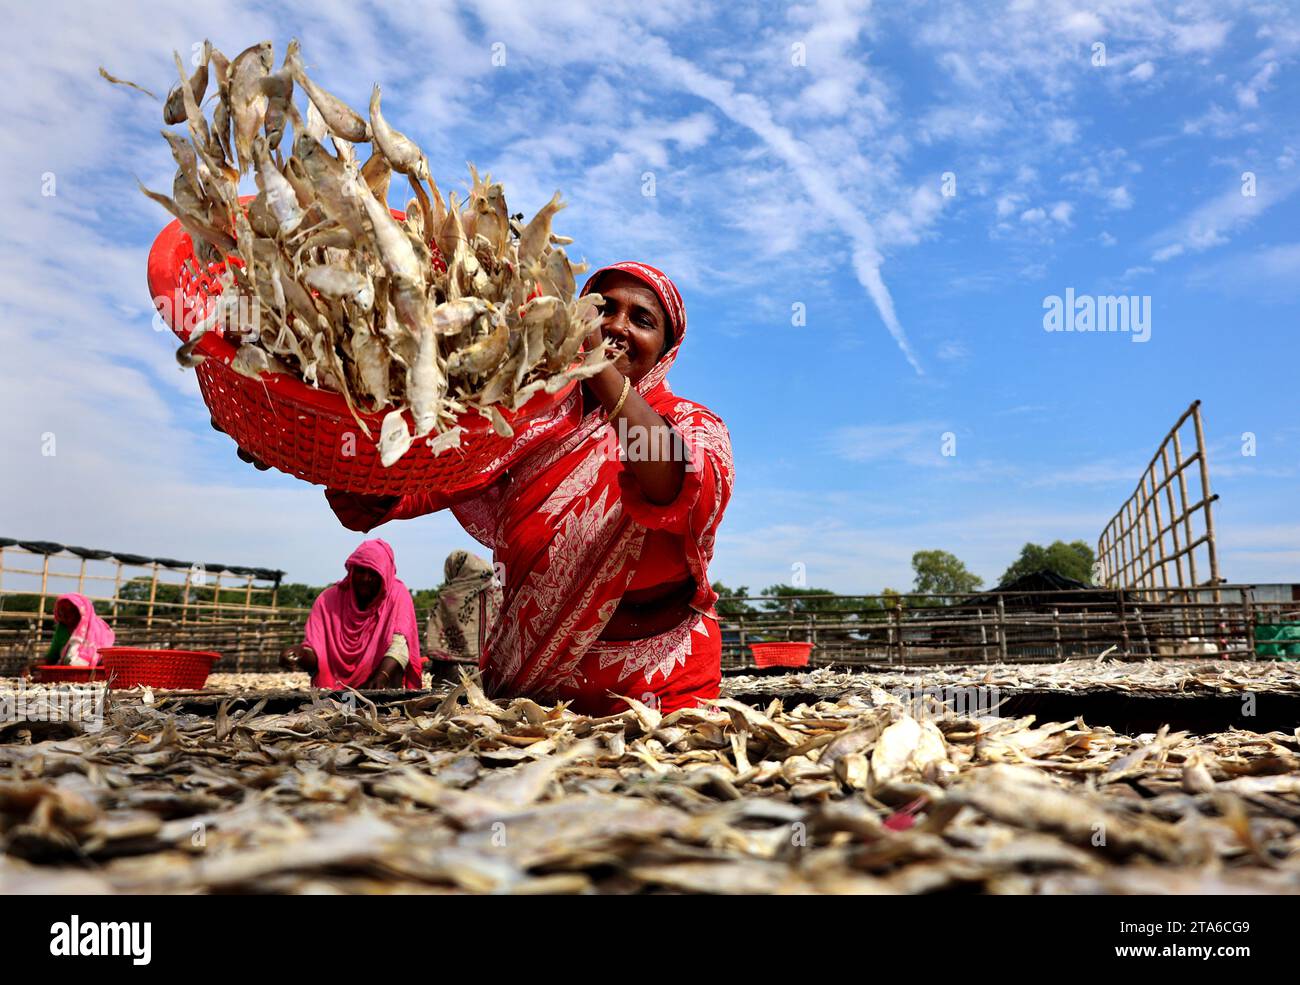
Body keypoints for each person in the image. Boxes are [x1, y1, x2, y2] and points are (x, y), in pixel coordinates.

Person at [326, 261, 734, 715]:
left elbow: (679, 483)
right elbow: (421, 482)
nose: (617, 326)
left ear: (666, 349)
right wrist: (327, 449)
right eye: (603, 309)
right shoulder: (529, 417)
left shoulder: (692, 424)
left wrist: (598, 367)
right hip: (529, 693)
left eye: (642, 320)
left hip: (656, 689)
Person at [281, 539, 424, 689]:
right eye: (361, 570)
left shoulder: (397, 595)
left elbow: (399, 645)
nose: (365, 579)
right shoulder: (328, 600)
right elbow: (317, 653)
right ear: (352, 570)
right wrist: (300, 655)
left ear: (385, 574)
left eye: (373, 573)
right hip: (334, 692)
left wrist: (382, 676)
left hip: (379, 685)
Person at [424, 549, 501, 668]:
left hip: (453, 672)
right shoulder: (498, 593)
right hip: (492, 671)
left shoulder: (448, 597)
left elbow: (436, 641)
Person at [44, 593, 115, 667]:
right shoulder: (62, 628)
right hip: (67, 671)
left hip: (94, 672)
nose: (65, 614)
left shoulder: (97, 629)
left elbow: (104, 656)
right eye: (62, 610)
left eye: (71, 610)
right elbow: (52, 655)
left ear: (80, 611)